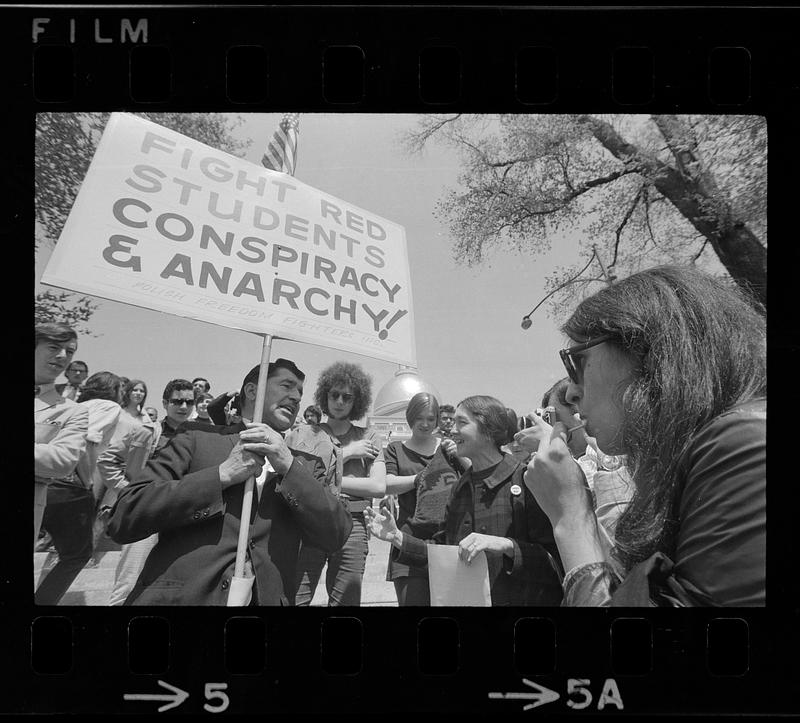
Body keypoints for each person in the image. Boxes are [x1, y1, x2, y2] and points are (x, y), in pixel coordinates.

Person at [523, 265, 766, 607]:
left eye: (575, 362)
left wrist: (571, 516)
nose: (572, 393)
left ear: (645, 351)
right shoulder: (712, 450)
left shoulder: (746, 445)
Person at [106, 358, 352, 605]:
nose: (296, 397)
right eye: (286, 386)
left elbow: (336, 534)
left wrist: (288, 466)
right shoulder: (196, 438)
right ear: (252, 390)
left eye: (300, 392)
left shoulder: (305, 466)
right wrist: (221, 475)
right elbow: (125, 516)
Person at [366, 395, 564, 606]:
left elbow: (556, 561)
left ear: (488, 429)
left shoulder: (527, 480)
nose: (451, 429)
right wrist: (397, 537)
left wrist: (506, 545)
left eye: (462, 422)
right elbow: (444, 550)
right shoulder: (459, 489)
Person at [287, 361, 384, 607]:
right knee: (295, 598)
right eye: (334, 395)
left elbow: (378, 487)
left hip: (352, 523)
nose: (340, 401)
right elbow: (297, 481)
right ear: (324, 395)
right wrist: (347, 454)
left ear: (357, 400)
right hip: (309, 523)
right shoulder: (303, 433)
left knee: (346, 603)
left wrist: (325, 482)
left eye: (347, 397)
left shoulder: (369, 436)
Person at [36, 371, 122, 605]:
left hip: (44, 479)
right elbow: (86, 440)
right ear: (114, 390)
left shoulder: (74, 405)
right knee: (77, 555)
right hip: (70, 485)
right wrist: (87, 482)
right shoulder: (108, 407)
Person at [380, 392, 444, 606]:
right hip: (407, 537)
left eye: (431, 418)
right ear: (410, 417)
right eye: (419, 418)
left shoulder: (448, 449)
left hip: (445, 540)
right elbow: (386, 483)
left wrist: (460, 456)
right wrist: (418, 479)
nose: (425, 424)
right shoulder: (395, 449)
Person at [34, 323, 88, 549]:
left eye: (70, 351)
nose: (62, 356)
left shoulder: (73, 410)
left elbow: (62, 461)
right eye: (54, 347)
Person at [153, 379, 195, 453]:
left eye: (189, 402)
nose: (184, 407)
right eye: (178, 402)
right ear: (165, 403)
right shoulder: (152, 433)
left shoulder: (198, 434)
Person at [120, 379, 161, 456]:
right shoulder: (118, 411)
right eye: (135, 390)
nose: (138, 393)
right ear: (128, 392)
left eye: (142, 391)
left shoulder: (145, 416)